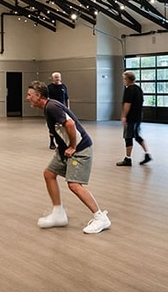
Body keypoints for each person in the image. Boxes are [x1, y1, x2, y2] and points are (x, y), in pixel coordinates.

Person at [27, 81, 111, 234]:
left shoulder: (52, 107)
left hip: (80, 149)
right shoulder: (48, 107)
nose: (27, 98)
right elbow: (61, 129)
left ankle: (100, 218)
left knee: (74, 184)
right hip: (64, 150)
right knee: (49, 174)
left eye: (29, 95)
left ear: (38, 96)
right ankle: (58, 213)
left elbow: (70, 124)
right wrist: (62, 145)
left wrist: (72, 146)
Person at [116, 71, 152, 166]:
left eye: (124, 79)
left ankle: (128, 159)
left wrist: (124, 116)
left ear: (127, 79)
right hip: (138, 117)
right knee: (137, 136)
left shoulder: (129, 90)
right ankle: (147, 153)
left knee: (128, 137)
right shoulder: (139, 89)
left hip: (130, 118)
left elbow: (127, 104)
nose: (123, 81)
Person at [47, 72, 69, 150]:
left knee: (63, 125)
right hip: (52, 109)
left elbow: (66, 98)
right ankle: (52, 142)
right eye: (56, 77)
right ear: (53, 78)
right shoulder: (49, 87)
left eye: (58, 77)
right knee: (52, 126)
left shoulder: (63, 87)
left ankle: (63, 142)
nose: (57, 79)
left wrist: (67, 107)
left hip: (62, 109)